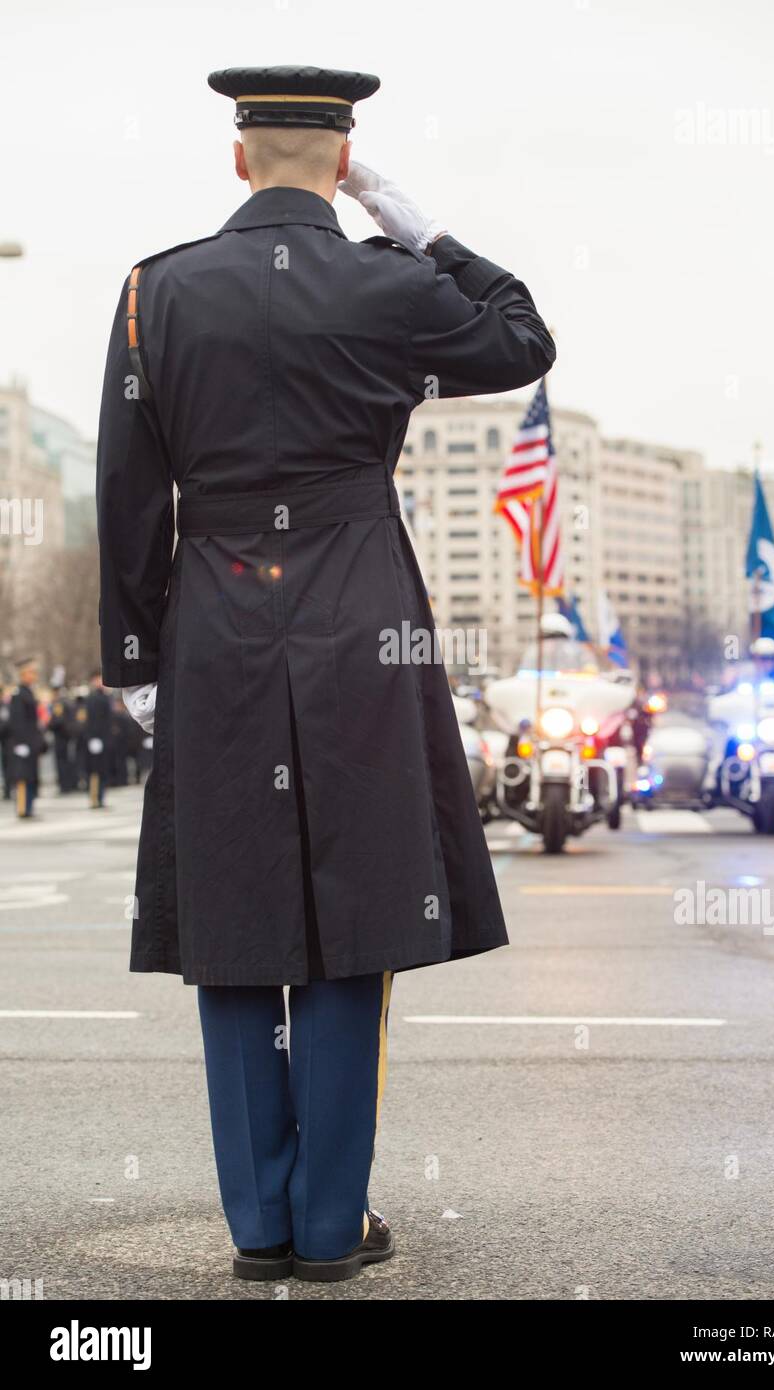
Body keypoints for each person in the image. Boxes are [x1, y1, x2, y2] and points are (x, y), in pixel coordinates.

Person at [96, 64, 555, 1284]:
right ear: (344, 164)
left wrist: (134, 658)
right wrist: (422, 228)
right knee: (358, 914)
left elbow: (131, 493)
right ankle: (327, 1223)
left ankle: (258, 1223)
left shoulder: (155, 292)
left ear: (237, 158)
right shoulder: (390, 284)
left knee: (233, 910)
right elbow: (523, 339)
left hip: (215, 617)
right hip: (360, 611)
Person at [7, 658, 45, 818]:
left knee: (31, 776)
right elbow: (17, 721)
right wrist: (20, 743)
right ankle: (23, 808)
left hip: (31, 742)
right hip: (23, 743)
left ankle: (29, 807)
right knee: (23, 776)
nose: (34, 676)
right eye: (31, 672)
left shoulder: (28, 692)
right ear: (23, 675)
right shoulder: (18, 694)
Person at [83, 671, 112, 809]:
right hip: (95, 739)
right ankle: (94, 798)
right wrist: (92, 738)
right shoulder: (92, 698)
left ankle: (101, 797)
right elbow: (90, 721)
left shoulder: (105, 697)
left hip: (104, 738)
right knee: (95, 770)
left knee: (102, 769)